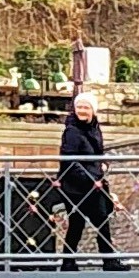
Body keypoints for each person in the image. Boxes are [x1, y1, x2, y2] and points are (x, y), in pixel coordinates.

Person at [57, 87, 123, 266]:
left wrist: (100, 169)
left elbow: (96, 155)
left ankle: (106, 261)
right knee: (78, 222)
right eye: (79, 107)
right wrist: (90, 177)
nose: (82, 111)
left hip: (94, 183)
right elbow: (69, 160)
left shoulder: (95, 129)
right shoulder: (71, 131)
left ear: (93, 110)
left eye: (86, 107)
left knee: (100, 220)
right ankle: (71, 262)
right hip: (76, 186)